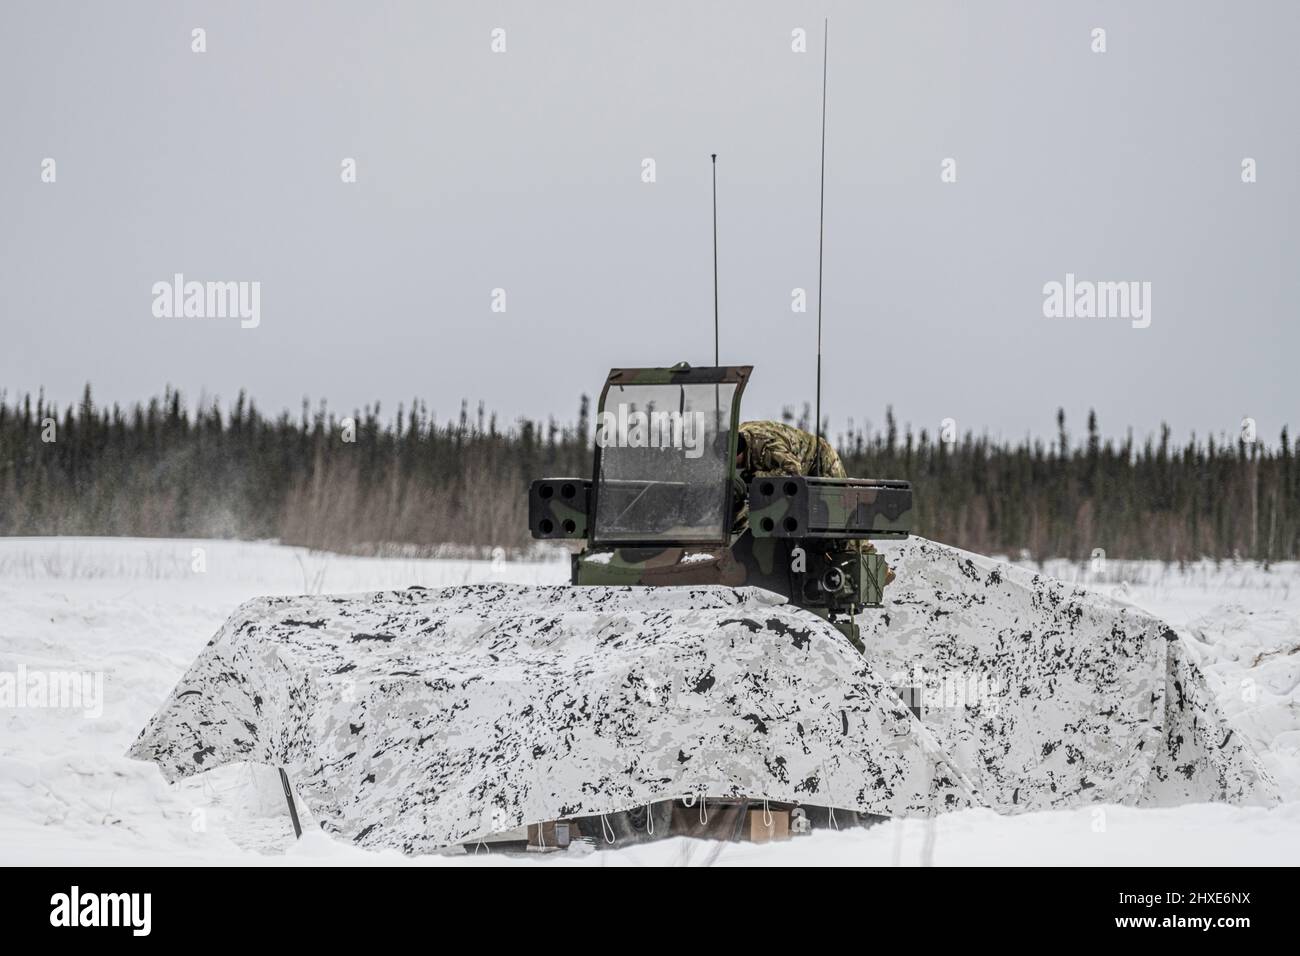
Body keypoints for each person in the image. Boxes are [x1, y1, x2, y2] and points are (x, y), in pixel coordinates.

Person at [732, 420, 893, 583]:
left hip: (819, 461)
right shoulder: (732, 440)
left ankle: (875, 571)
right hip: (794, 470)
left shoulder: (767, 446)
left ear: (741, 453)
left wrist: (755, 480)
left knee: (840, 518)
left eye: (736, 462)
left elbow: (792, 474)